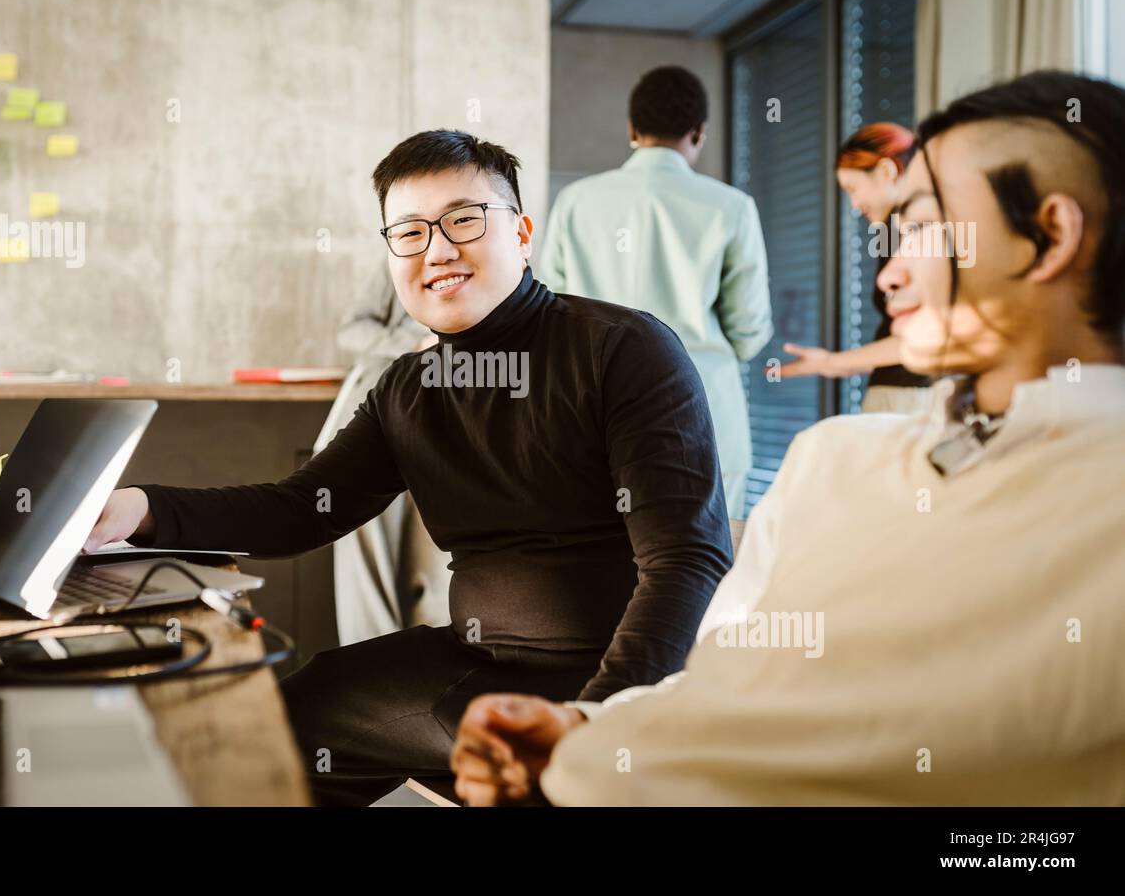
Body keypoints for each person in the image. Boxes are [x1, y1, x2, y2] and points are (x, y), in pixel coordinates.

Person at [450, 71, 1125, 806]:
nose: (889, 276)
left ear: (1050, 235)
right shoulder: (833, 457)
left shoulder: (1101, 508)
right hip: (705, 401)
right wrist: (584, 726)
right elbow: (720, 671)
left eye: (925, 229)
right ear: (698, 134)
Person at [83, 130, 734, 805]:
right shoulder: (408, 388)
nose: (439, 250)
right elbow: (303, 508)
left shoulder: (623, 350)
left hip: (616, 679)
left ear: (523, 233)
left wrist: (589, 723)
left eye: (463, 220)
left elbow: (686, 561)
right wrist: (143, 508)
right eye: (411, 232)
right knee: (274, 728)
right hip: (475, 662)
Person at [539, 65, 773, 518]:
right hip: (704, 403)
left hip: (597, 404)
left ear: (632, 129)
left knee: (601, 556)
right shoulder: (732, 207)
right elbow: (749, 329)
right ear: (699, 132)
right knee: (709, 562)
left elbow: (554, 311)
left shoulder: (576, 201)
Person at [316, 263, 451, 645]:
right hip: (377, 429)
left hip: (442, 433)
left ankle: (424, 668)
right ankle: (370, 657)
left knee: (436, 566)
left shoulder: (493, 268)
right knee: (367, 556)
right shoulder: (400, 260)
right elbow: (353, 329)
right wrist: (413, 345)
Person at [777, 122, 933, 413]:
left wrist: (832, 363)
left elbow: (915, 336)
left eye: (853, 188)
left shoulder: (903, 230)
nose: (854, 204)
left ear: (887, 171)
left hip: (905, 399)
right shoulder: (895, 231)